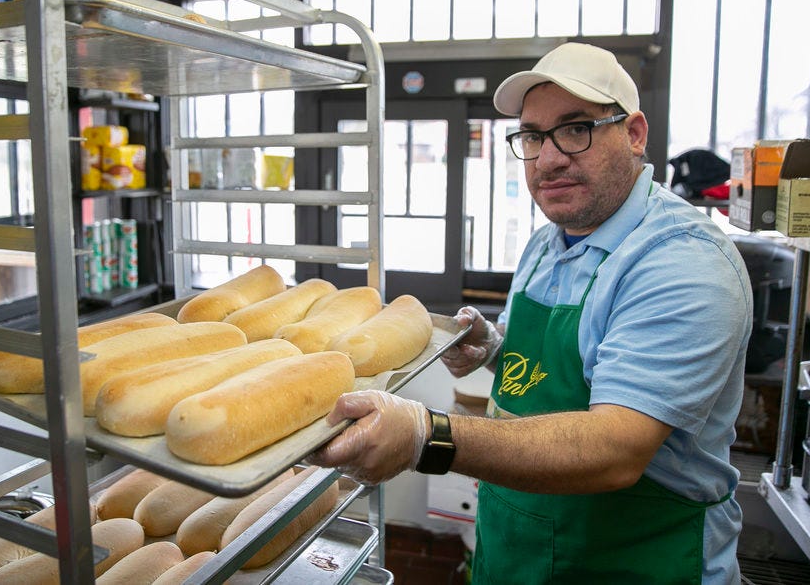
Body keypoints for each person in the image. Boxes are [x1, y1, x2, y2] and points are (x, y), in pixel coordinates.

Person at [309, 42, 753, 584]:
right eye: (533, 136)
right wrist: (496, 350)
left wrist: (427, 434)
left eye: (575, 129)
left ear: (634, 134)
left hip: (635, 562)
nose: (548, 157)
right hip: (515, 555)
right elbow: (558, 381)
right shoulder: (547, 245)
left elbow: (615, 449)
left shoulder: (681, 263)